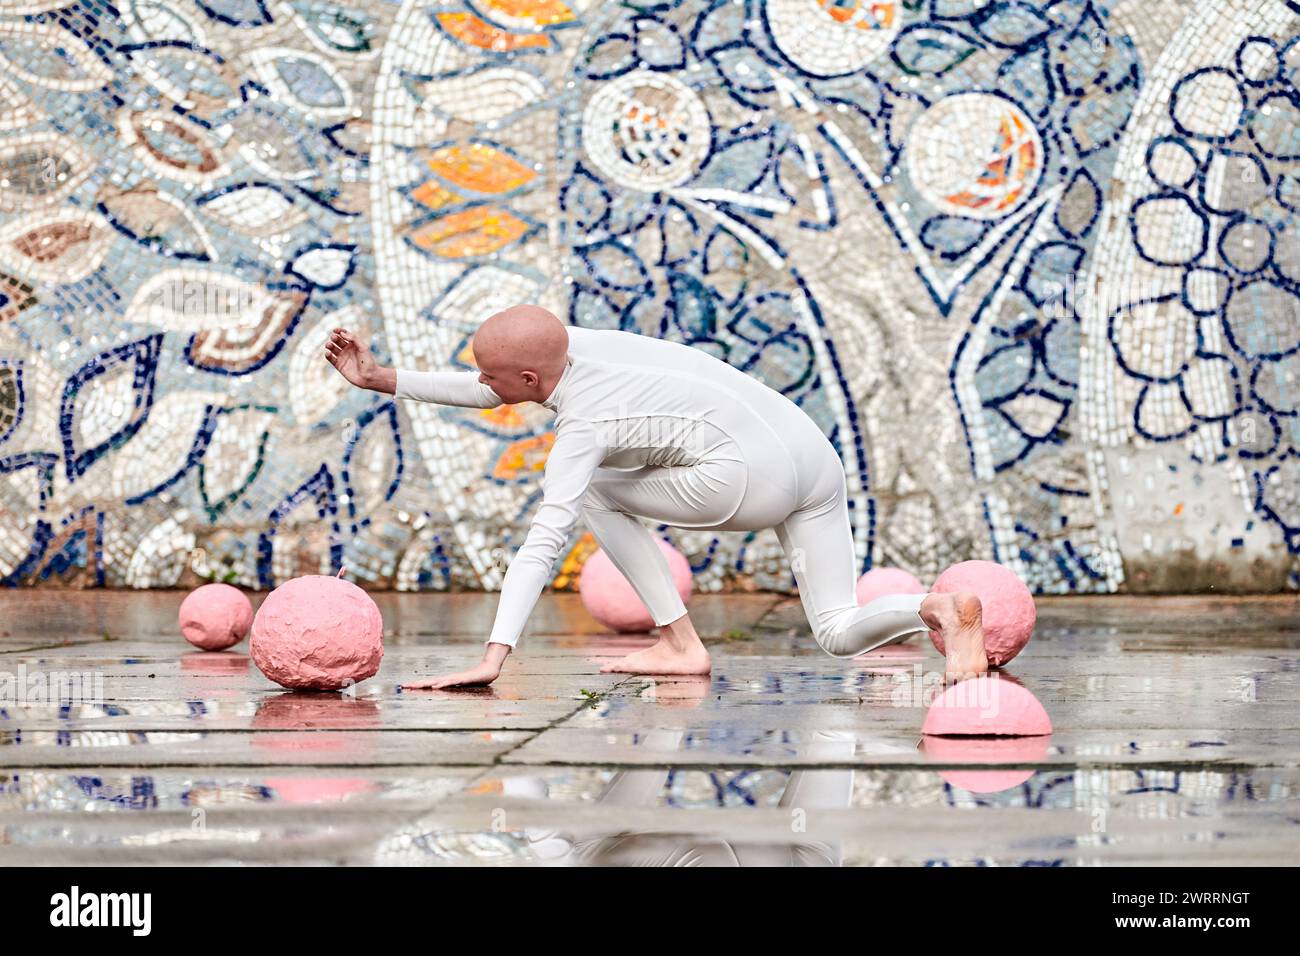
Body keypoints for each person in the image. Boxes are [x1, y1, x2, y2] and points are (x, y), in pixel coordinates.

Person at [324, 305, 988, 689]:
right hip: (812, 455)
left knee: (593, 497)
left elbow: (543, 540)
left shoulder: (586, 420)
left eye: (488, 373)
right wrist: (381, 378)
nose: (479, 380)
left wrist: (491, 657)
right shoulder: (574, 346)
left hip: (749, 479)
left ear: (529, 375)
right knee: (840, 630)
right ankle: (938, 609)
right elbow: (496, 384)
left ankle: (679, 643)